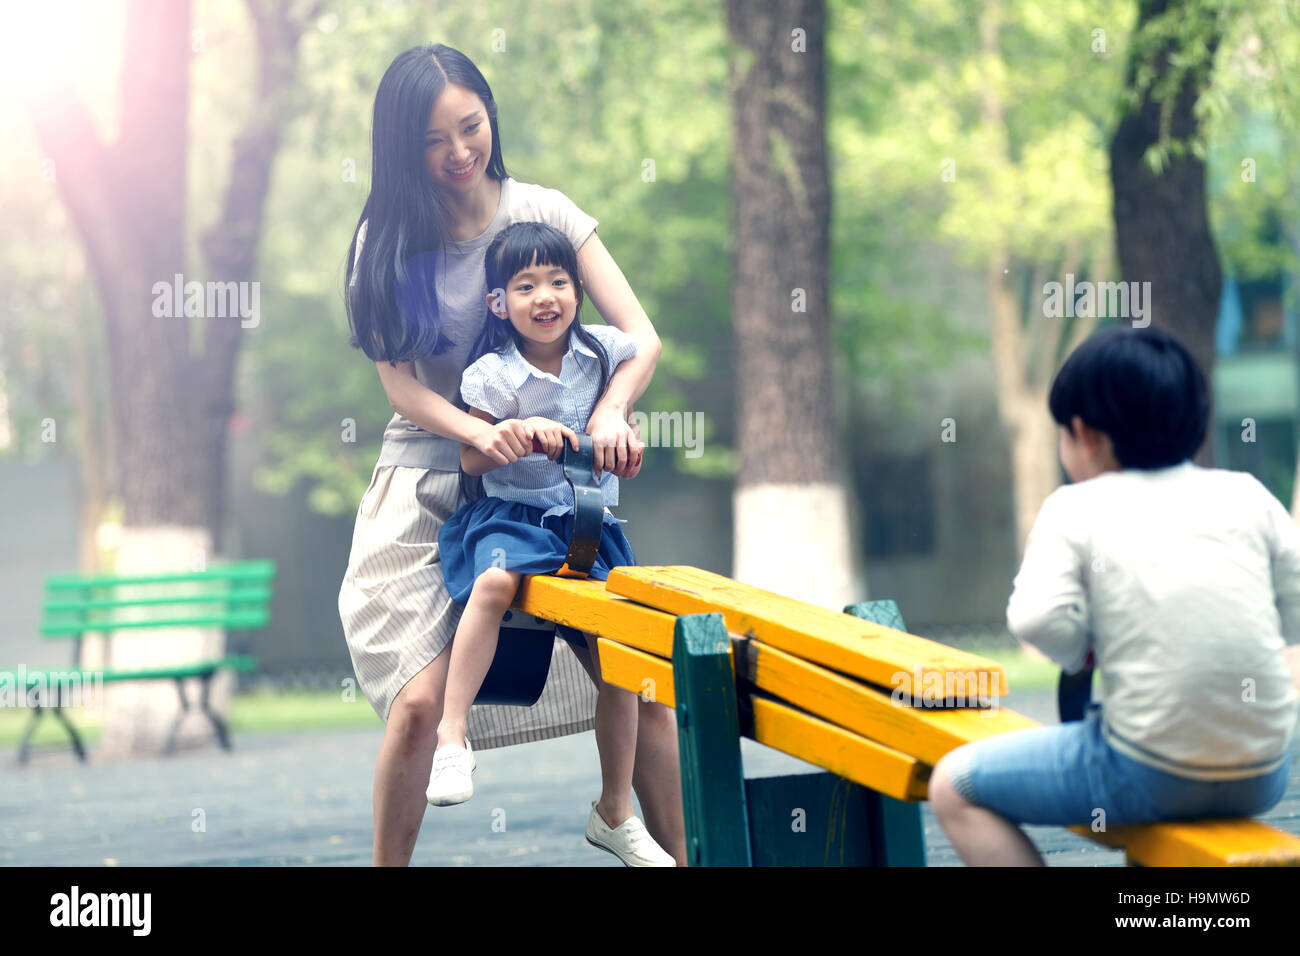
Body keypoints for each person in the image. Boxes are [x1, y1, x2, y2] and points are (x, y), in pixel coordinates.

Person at [337, 43, 685, 866]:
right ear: (402, 149)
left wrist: (609, 413)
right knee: (419, 707)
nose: (459, 153)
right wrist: (475, 433)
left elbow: (639, 339)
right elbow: (403, 390)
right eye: (433, 141)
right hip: (429, 478)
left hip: (542, 487)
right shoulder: (392, 243)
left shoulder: (547, 215)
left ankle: (674, 850)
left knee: (638, 679)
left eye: (471, 126)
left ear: (491, 114)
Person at [929, 325, 1300, 866]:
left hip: (1145, 770)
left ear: (1085, 434)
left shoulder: (1077, 506)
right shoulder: (1248, 495)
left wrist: (1083, 648)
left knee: (953, 786)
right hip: (1263, 770)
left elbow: (1035, 619)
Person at [423, 220, 674, 866]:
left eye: (559, 281)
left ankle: (614, 809)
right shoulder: (493, 374)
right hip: (513, 519)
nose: (546, 296)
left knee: (620, 657)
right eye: (526, 284)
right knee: (495, 583)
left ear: (577, 291)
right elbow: (472, 462)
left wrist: (625, 445)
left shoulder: (602, 356)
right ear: (499, 304)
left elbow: (635, 398)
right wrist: (510, 432)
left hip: (588, 525)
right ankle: (453, 739)